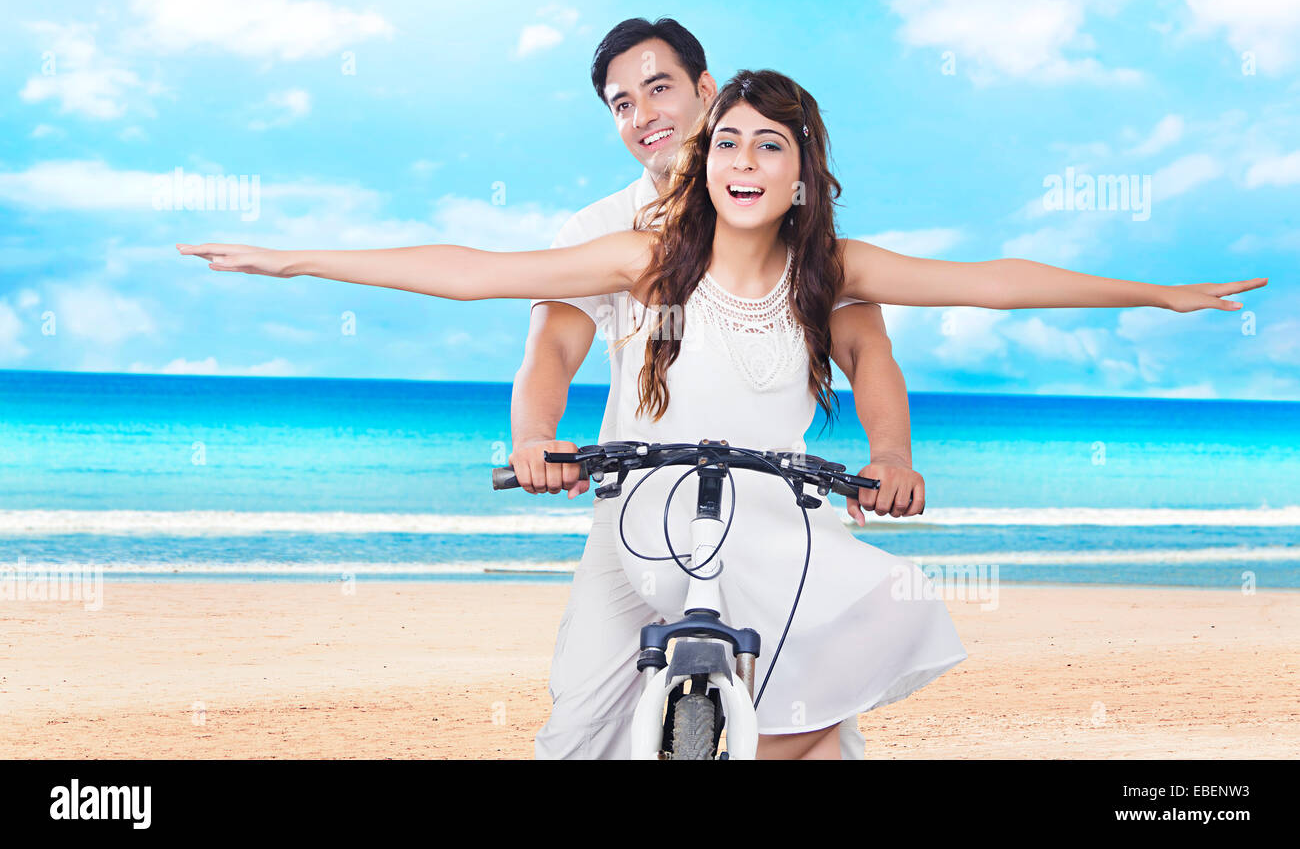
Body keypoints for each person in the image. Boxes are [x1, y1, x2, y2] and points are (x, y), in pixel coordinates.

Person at [176, 68, 1266, 760]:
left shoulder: (831, 269)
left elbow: (994, 280)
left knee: (875, 609)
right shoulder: (650, 257)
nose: (745, 160)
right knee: (596, 714)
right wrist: (303, 258)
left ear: (801, 178)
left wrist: (1155, 292)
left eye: (771, 146)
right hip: (654, 508)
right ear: (708, 164)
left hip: (779, 508)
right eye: (731, 141)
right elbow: (478, 271)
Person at [510, 17, 919, 761]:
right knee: (581, 728)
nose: (642, 116)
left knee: (821, 722)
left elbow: (869, 349)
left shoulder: (797, 231)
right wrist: (537, 437)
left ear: (707, 90)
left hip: (773, 502)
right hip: (640, 501)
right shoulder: (602, 229)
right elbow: (550, 347)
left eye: (659, 88)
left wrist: (889, 452)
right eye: (621, 103)